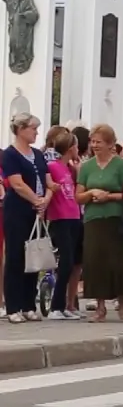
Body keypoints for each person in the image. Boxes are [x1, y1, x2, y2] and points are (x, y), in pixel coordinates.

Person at [75, 124, 123, 322]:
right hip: (93, 220)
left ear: (110, 144)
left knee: (115, 261)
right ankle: (100, 308)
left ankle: (122, 297)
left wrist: (109, 196)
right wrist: (91, 193)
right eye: (92, 141)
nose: (94, 145)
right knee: (94, 262)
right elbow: (78, 196)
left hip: (114, 219)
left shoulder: (120, 166)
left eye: (99, 142)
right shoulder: (86, 167)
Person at [1, 113, 55, 322]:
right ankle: (13, 306)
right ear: (21, 129)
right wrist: (36, 200)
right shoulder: (10, 155)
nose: (36, 132)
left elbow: (49, 182)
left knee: (33, 256)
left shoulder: (37, 154)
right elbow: (16, 183)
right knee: (15, 257)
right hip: (17, 210)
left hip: (37, 211)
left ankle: (28, 304)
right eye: (33, 128)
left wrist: (45, 200)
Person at [45, 131, 83, 319]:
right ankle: (55, 307)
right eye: (76, 146)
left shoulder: (70, 168)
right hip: (60, 217)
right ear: (70, 148)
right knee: (65, 262)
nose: (78, 150)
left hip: (74, 216)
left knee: (75, 261)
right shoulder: (52, 166)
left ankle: (68, 305)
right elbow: (49, 186)